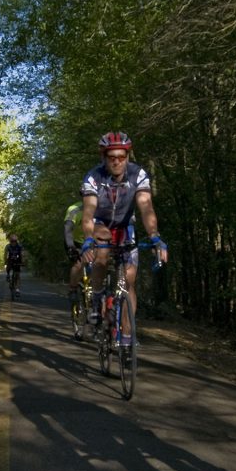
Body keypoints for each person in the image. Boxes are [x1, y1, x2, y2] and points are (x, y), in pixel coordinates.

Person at [79, 132, 169, 347]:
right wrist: (89, 238)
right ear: (104, 158)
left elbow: (146, 207)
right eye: (112, 157)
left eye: (122, 156)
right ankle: (97, 298)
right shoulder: (94, 177)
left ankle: (127, 335)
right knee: (101, 254)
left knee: (129, 281)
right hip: (100, 224)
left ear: (127, 156)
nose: (117, 161)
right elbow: (88, 213)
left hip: (125, 226)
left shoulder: (138, 174)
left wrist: (155, 237)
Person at [3, 233, 24, 297]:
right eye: (12, 241)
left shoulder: (19, 246)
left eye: (14, 241)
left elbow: (22, 254)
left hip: (17, 260)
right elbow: (5, 255)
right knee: (8, 267)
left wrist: (22, 262)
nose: (13, 243)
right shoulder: (8, 246)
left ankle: (17, 290)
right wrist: (5, 262)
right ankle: (8, 275)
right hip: (10, 260)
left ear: (16, 241)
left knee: (17, 275)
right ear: (10, 241)